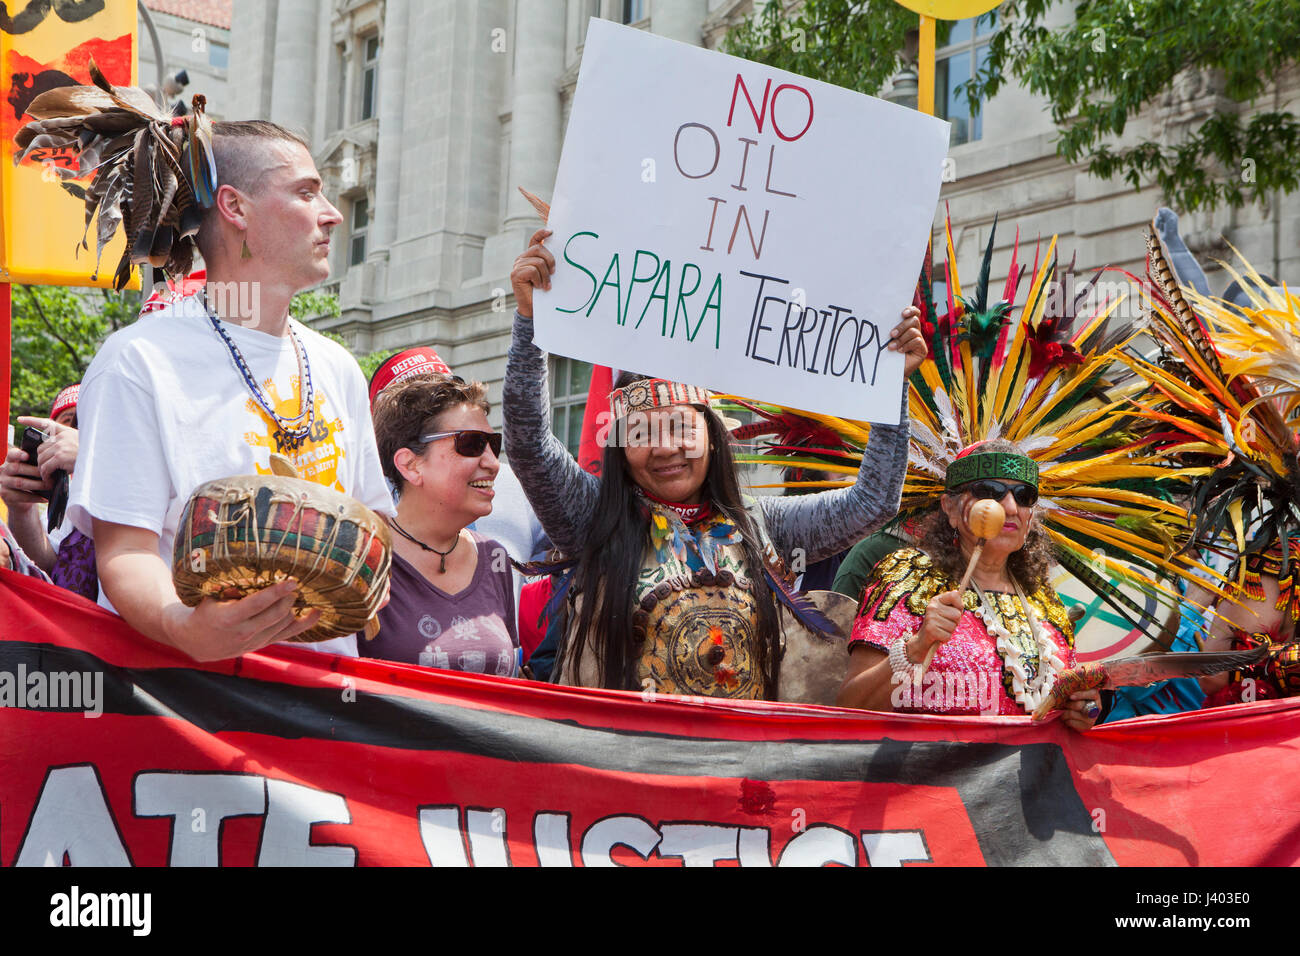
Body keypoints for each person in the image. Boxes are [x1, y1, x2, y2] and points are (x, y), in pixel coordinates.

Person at [505, 227, 927, 699]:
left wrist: (892, 386)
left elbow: (873, 502)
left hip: (741, 762)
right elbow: (528, 444)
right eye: (641, 432)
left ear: (712, 439)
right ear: (620, 448)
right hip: (630, 762)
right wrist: (530, 321)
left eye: (681, 428)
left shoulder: (762, 524)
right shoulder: (592, 517)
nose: (665, 448)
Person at [62, 117, 393, 661]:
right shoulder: (139, 362)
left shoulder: (337, 366)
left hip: (326, 707)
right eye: (306, 192)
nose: (332, 214)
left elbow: (371, 522)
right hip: (196, 705)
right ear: (236, 207)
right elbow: (124, 552)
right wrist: (185, 629)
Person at [837, 440, 1101, 730]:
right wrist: (918, 646)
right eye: (990, 492)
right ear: (950, 507)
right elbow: (850, 708)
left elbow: (1060, 708)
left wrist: (1080, 710)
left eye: (1024, 496)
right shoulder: (907, 577)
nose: (1010, 507)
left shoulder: (1043, 600)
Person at [366, 375, 518, 673]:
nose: (493, 462)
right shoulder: (364, 556)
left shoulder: (495, 558)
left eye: (493, 444)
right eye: (472, 443)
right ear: (410, 465)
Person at [1, 384, 98, 601]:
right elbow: (49, 566)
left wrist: (91, 457)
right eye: (68, 421)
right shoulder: (59, 489)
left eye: (86, 420)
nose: (74, 433)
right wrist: (22, 510)